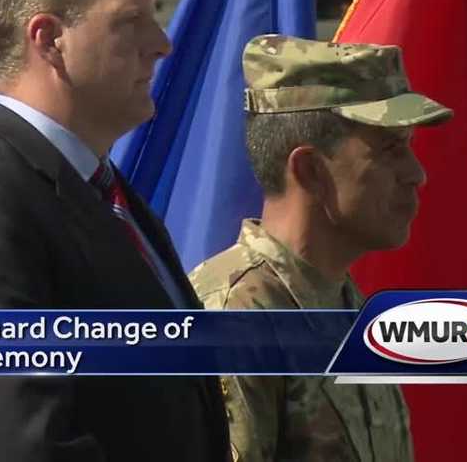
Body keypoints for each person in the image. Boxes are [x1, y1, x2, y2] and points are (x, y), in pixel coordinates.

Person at [0, 0, 229, 462]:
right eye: (131, 21)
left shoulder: (113, 198)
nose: (161, 44)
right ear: (49, 40)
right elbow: (21, 440)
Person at [190, 34, 453, 462]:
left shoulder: (347, 307)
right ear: (310, 170)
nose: (416, 174)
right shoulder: (233, 319)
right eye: (390, 149)